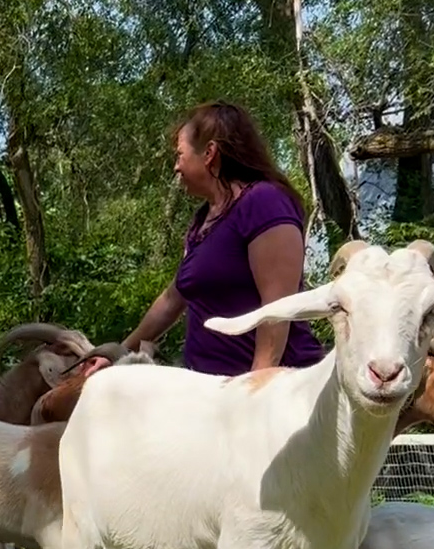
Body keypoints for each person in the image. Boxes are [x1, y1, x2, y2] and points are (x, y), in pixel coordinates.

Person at [123, 100, 324, 374]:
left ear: (209, 153)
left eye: (180, 155)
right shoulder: (202, 221)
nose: (176, 167)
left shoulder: (264, 203)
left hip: (275, 386)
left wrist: (256, 386)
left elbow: (277, 308)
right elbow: (172, 299)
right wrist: (120, 352)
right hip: (212, 387)